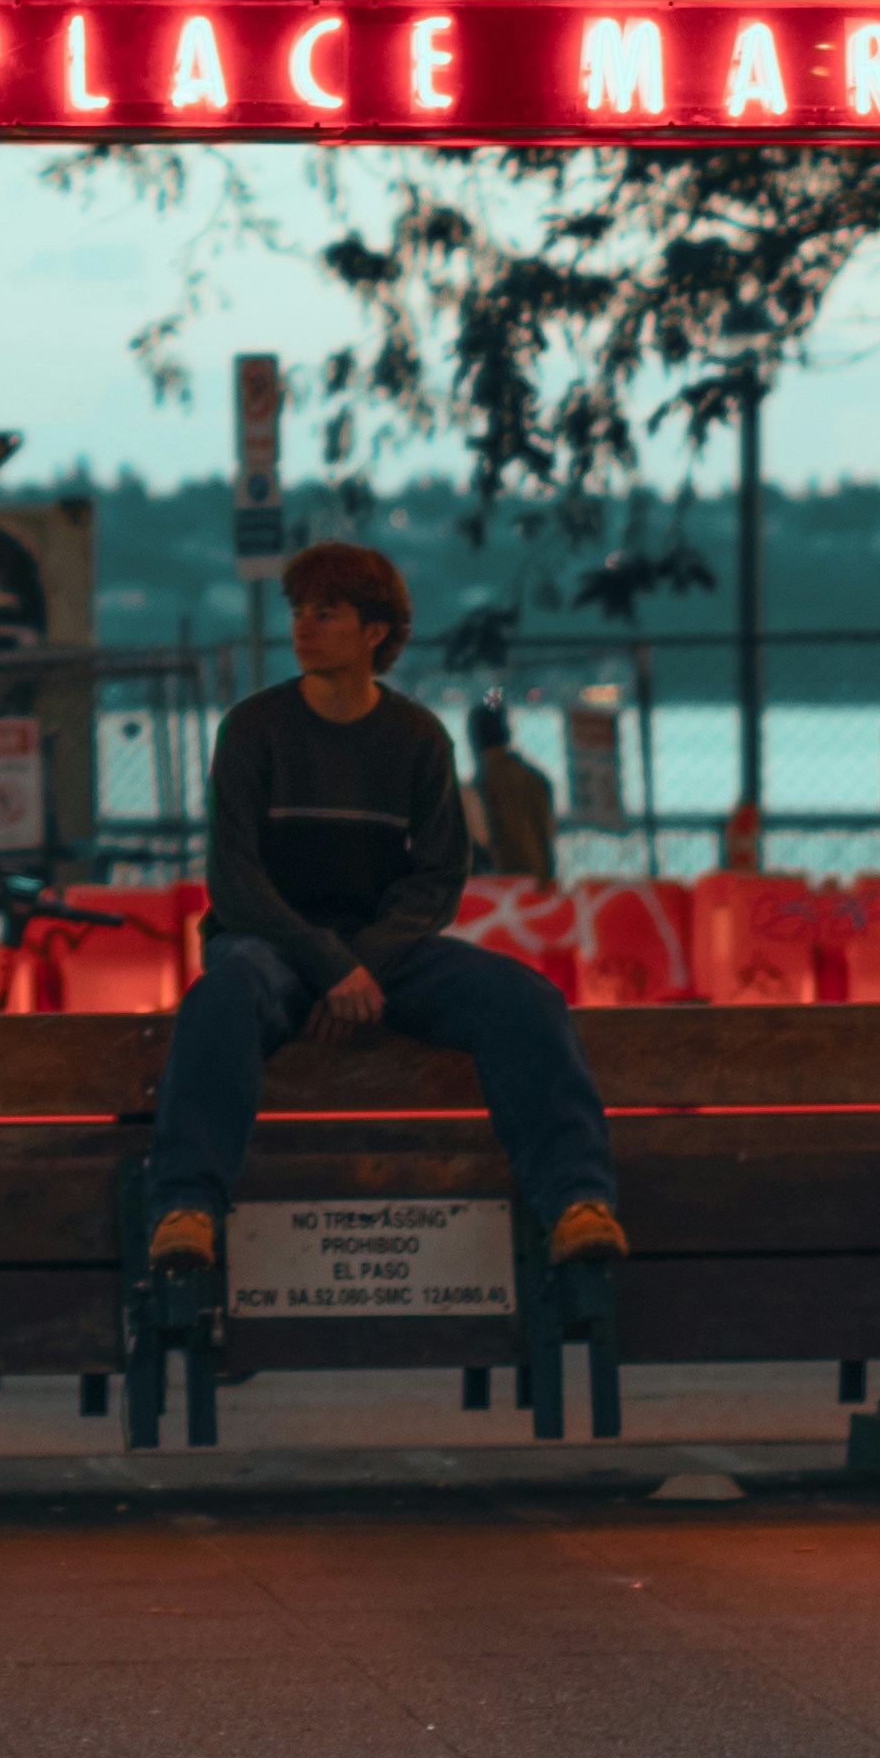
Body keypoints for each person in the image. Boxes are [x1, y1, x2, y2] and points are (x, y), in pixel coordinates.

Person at [145, 542, 626, 1274]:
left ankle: (577, 1206)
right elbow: (237, 883)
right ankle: (185, 1211)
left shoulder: (416, 739)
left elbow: (436, 880)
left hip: (382, 959)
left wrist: (361, 965)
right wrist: (330, 964)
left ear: (375, 632)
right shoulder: (253, 729)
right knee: (222, 997)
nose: (304, 627)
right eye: (299, 611)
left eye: (326, 612)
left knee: (525, 1000)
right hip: (271, 948)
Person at [467, 700, 559, 881]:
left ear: (474, 739)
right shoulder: (536, 779)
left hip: (507, 889)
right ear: (507, 733)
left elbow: (485, 842)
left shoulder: (482, 786)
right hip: (542, 884)